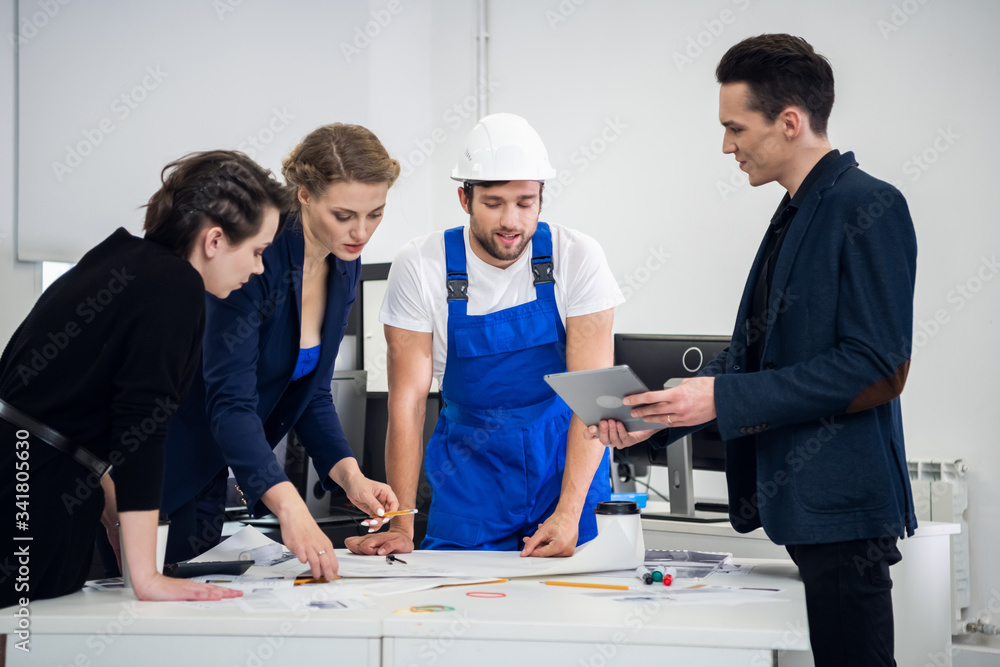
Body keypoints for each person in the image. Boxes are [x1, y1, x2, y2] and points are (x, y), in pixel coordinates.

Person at [597, 35, 917, 666]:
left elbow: (879, 367)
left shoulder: (868, 206)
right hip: (805, 513)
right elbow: (750, 357)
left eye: (735, 127)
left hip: (844, 516)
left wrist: (720, 395)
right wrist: (654, 420)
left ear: (790, 122)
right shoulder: (795, 213)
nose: (727, 145)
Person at [0, 150, 291, 606]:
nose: (258, 268)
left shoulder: (121, 258)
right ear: (214, 240)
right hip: (33, 490)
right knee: (20, 634)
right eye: (257, 251)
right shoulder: (175, 287)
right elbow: (141, 431)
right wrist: (146, 576)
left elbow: (83, 408)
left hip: (28, 471)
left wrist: (117, 517)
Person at [345, 113, 624, 558]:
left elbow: (591, 401)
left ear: (541, 198)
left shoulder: (579, 257)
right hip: (470, 473)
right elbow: (408, 402)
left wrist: (569, 512)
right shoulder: (421, 265)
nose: (511, 220)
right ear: (465, 198)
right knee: (461, 604)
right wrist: (400, 524)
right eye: (493, 203)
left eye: (525, 202)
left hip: (565, 465)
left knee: (574, 608)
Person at [160, 124, 401, 582]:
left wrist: (351, 477)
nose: (361, 232)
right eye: (345, 214)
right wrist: (289, 506)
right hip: (169, 463)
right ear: (305, 195)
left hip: (219, 467)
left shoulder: (343, 264)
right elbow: (230, 402)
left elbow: (311, 392)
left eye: (376, 214)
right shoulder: (256, 259)